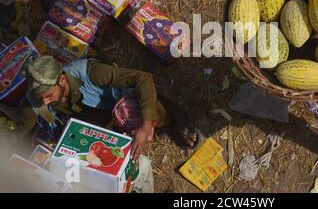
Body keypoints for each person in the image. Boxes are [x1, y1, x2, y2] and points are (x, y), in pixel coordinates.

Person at [19, 56, 199, 160]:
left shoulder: (90, 72)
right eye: (41, 98)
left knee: (152, 112)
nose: (46, 102)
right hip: (96, 121)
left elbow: (143, 79)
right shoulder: (35, 100)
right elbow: (20, 132)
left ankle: (178, 122)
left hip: (117, 103)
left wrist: (145, 125)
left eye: (50, 95)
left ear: (62, 80)